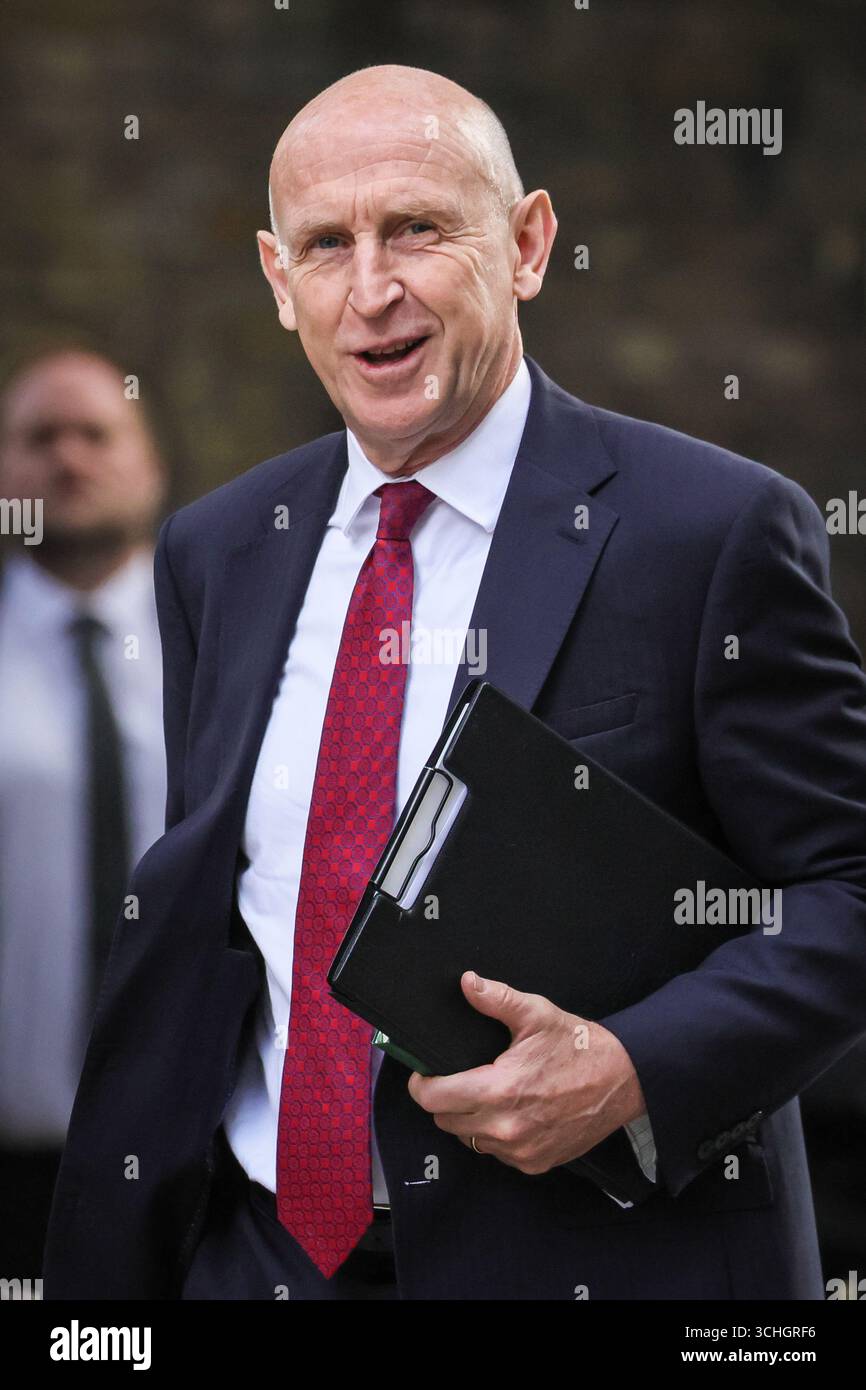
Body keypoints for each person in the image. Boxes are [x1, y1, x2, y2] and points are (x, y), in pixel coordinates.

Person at [44, 66, 866, 1301]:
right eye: (326, 244)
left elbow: (847, 885)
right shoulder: (218, 552)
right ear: (277, 281)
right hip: (251, 1258)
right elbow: (222, 921)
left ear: (527, 244)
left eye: (417, 229)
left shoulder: (711, 531)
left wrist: (631, 1065)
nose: (371, 291)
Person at [0, 348, 167, 1278]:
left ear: (150, 466)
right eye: (38, 438)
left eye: (96, 434)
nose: (68, 459)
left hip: (188, 1165)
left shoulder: (225, 657)